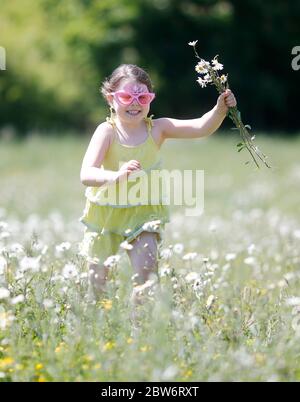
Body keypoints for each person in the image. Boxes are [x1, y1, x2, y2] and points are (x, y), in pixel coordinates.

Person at [78, 63, 236, 301]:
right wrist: (115, 176)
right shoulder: (106, 132)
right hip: (105, 213)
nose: (134, 103)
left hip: (144, 212)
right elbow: (86, 174)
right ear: (111, 99)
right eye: (126, 96)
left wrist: (220, 109)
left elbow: (201, 127)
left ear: (150, 99)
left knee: (147, 276)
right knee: (97, 284)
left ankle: (139, 329)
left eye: (142, 97)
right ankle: (99, 328)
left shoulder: (157, 129)